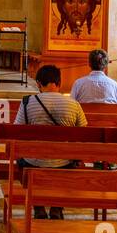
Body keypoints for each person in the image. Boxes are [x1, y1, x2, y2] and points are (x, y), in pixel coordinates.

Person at [14, 64, 88, 219]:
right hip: (64, 162)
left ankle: (38, 207)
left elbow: (17, 132)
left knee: (22, 160)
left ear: (39, 84)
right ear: (59, 83)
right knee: (67, 160)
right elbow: (84, 134)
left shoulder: (28, 102)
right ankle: (56, 207)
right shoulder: (74, 105)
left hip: (33, 161)